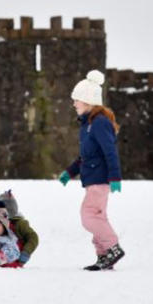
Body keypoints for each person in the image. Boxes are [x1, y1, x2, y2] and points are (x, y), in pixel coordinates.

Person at [59, 69, 125, 271]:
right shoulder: (87, 125)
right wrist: (70, 172)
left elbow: (110, 152)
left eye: (76, 100)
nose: (73, 104)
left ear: (87, 101)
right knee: (98, 217)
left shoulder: (99, 123)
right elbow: (87, 156)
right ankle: (104, 256)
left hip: (100, 180)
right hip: (93, 179)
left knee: (88, 216)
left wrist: (115, 176)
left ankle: (112, 246)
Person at [0, 190, 39, 266]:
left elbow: (33, 237)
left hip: (14, 254)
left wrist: (25, 253)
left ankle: (0, 258)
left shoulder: (19, 224)